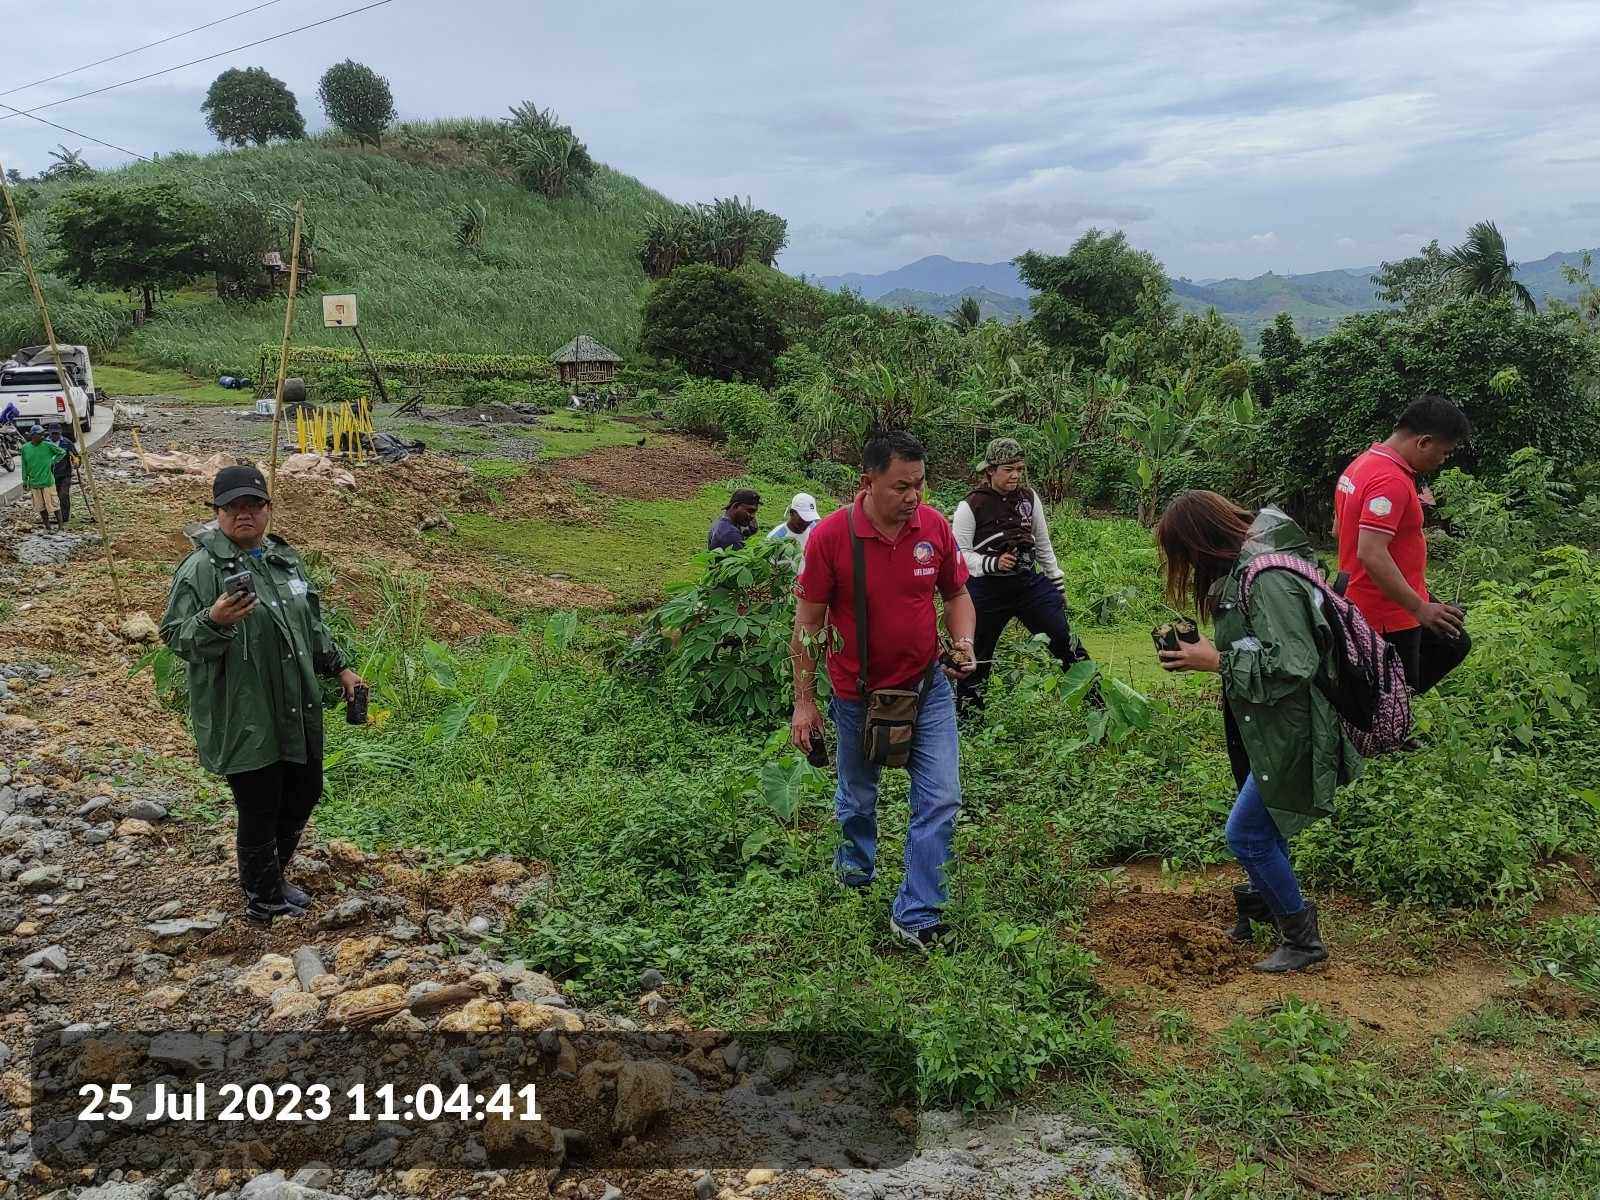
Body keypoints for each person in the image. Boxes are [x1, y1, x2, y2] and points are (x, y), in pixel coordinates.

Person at [1155, 491, 1362, 973]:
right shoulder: (1251, 568)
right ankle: (1267, 906)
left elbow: (1295, 662)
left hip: (1294, 727)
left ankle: (1302, 937)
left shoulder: (1265, 578)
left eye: (1184, 554)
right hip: (1270, 725)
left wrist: (1218, 661)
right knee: (1268, 826)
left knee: (1246, 834)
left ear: (1201, 542)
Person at [790, 431, 977, 951]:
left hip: (927, 688)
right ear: (867, 483)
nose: (913, 496)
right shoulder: (831, 537)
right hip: (856, 695)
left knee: (942, 797)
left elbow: (957, 593)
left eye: (919, 484)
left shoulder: (934, 528)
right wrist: (805, 703)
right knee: (858, 797)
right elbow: (807, 623)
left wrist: (962, 642)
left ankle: (916, 914)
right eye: (900, 486)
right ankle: (855, 871)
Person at [160, 465, 366, 925]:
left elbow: (310, 625)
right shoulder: (201, 569)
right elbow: (176, 637)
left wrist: (341, 668)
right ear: (217, 513)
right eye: (233, 507)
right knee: (259, 802)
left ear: (268, 509)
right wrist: (214, 619)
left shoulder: (283, 559)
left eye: (253, 505)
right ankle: (262, 895)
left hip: (295, 702)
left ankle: (273, 875)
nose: (244, 515)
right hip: (243, 708)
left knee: (306, 788)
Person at [1334, 395, 1473, 695]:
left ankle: (1387, 720)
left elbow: (1338, 529)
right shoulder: (1390, 480)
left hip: (1379, 596)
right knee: (1392, 696)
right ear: (1423, 442)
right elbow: (1370, 552)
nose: (1443, 460)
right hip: (1387, 610)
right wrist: (1419, 607)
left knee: (1454, 642)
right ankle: (1387, 730)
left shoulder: (1361, 464)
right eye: (1444, 452)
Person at [951, 437, 1091, 715]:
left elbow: (1042, 543)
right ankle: (969, 718)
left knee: (1064, 639)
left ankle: (1095, 701)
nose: (1015, 475)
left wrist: (1056, 582)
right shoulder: (971, 506)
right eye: (1008, 469)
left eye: (1019, 468)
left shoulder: (1029, 498)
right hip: (985, 589)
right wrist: (993, 563)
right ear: (990, 470)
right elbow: (959, 555)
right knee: (977, 655)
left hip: (1027, 583)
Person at [19, 425, 66, 530]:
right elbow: (24, 465)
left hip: (48, 481)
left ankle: (61, 527)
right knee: (41, 507)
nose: (43, 436)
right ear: (33, 436)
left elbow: (62, 452)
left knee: (54, 504)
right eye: (40, 434)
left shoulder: (48, 445)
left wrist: (53, 461)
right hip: (34, 483)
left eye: (43, 434)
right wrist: (25, 480)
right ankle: (48, 528)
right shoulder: (25, 448)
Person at [766, 492, 821, 568]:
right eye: (803, 519)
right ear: (792, 513)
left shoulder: (814, 530)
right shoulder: (776, 537)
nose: (806, 522)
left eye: (810, 519)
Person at [48, 427, 77, 526]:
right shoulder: (45, 443)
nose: (54, 436)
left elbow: (76, 455)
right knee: (54, 496)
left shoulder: (66, 443)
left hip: (65, 473)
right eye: (53, 434)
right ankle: (57, 516)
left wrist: (76, 461)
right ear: (49, 434)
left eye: (56, 434)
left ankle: (65, 517)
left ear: (60, 433)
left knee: (63, 494)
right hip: (50, 474)